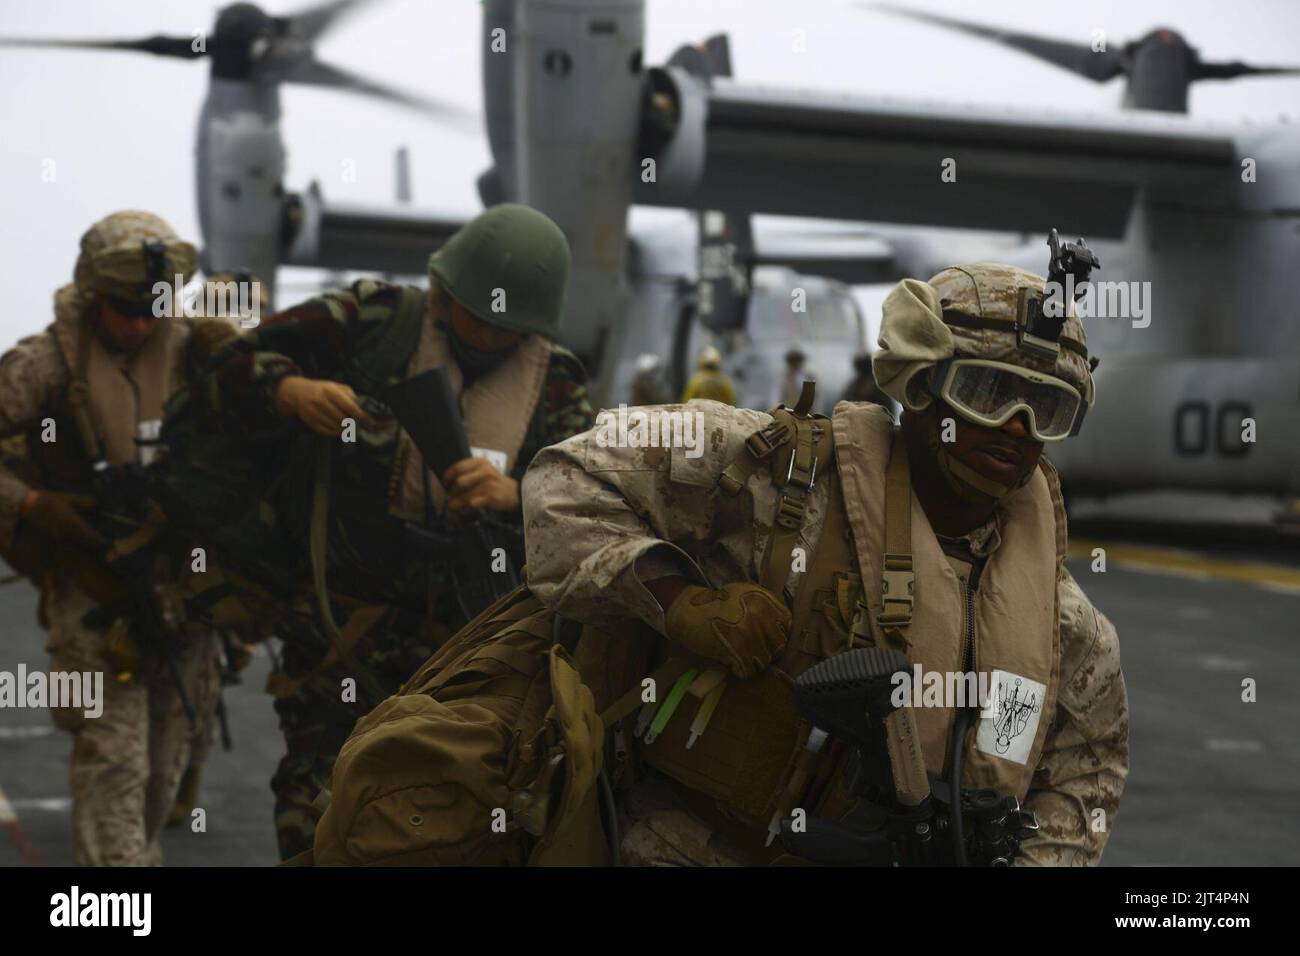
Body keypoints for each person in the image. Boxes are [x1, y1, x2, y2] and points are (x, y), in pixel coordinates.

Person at [521, 261, 1129, 866]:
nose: (1015, 429)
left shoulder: (1060, 622)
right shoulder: (776, 478)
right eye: (987, 393)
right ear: (920, 381)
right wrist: (677, 599)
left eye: (1046, 408)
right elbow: (566, 479)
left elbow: (1087, 764)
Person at [191, 203, 595, 859]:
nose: (490, 337)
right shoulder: (373, 321)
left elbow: (588, 500)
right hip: (337, 637)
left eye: (508, 328)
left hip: (465, 658)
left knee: (441, 828)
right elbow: (224, 369)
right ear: (446, 292)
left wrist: (520, 495)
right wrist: (289, 391)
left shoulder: (558, 385)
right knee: (317, 822)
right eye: (476, 318)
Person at [0, 211, 228, 865]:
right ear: (94, 294)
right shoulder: (41, 365)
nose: (141, 324)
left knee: (160, 773)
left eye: (154, 307)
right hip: (95, 594)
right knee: (114, 765)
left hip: (185, 595)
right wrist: (35, 503)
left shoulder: (197, 350)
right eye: (126, 309)